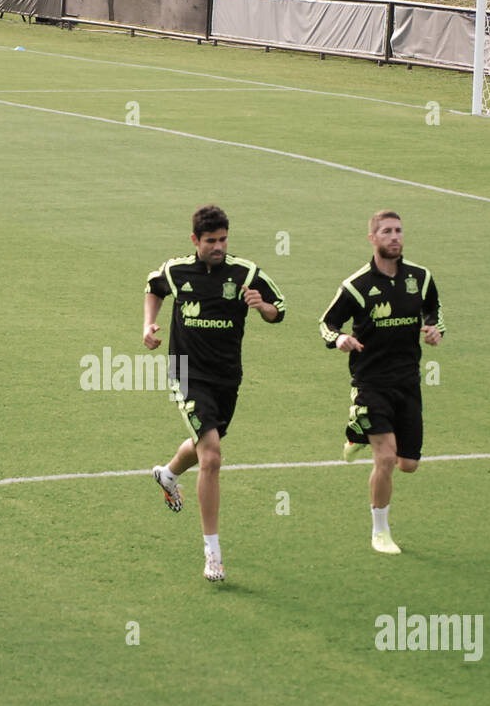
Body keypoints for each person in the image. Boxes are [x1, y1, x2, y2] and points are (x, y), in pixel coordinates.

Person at [144, 205, 285, 582]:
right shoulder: (177, 271)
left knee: (205, 444)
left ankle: (168, 474)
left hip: (227, 377)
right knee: (212, 456)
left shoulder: (245, 273)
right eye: (211, 241)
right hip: (186, 373)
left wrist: (262, 307)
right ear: (195, 240)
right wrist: (148, 325)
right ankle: (213, 554)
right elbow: (153, 287)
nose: (219, 246)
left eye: (223, 239)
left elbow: (279, 309)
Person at [318, 210, 443, 555]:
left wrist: (435, 330)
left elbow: (434, 310)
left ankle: (356, 431)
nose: (395, 237)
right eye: (386, 231)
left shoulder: (420, 277)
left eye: (398, 230)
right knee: (385, 459)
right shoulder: (356, 286)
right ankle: (380, 531)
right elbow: (326, 323)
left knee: (408, 465)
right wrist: (339, 339)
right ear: (372, 239)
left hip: (408, 382)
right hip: (370, 383)